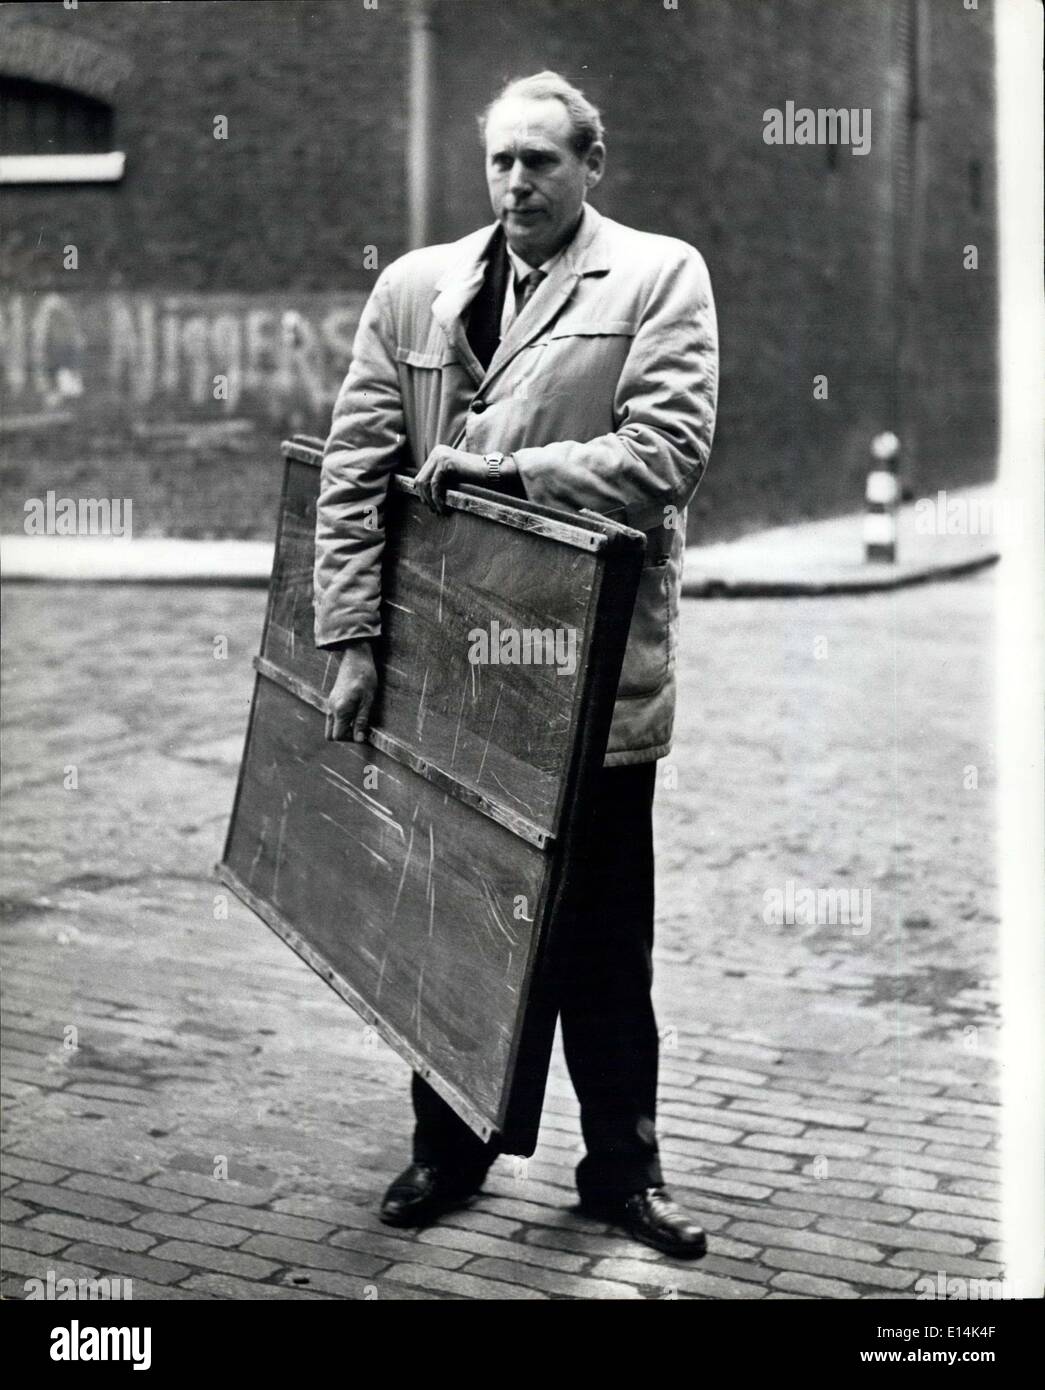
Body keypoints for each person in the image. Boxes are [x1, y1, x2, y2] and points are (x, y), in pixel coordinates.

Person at [314, 71, 718, 1258]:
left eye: (543, 160)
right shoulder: (415, 290)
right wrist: (346, 642)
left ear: (592, 164)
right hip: (451, 674)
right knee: (447, 919)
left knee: (601, 939)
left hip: (589, 677)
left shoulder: (656, 275)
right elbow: (352, 475)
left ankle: (621, 1173)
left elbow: (666, 454)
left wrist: (506, 474)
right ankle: (448, 1150)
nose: (516, 182)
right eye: (500, 160)